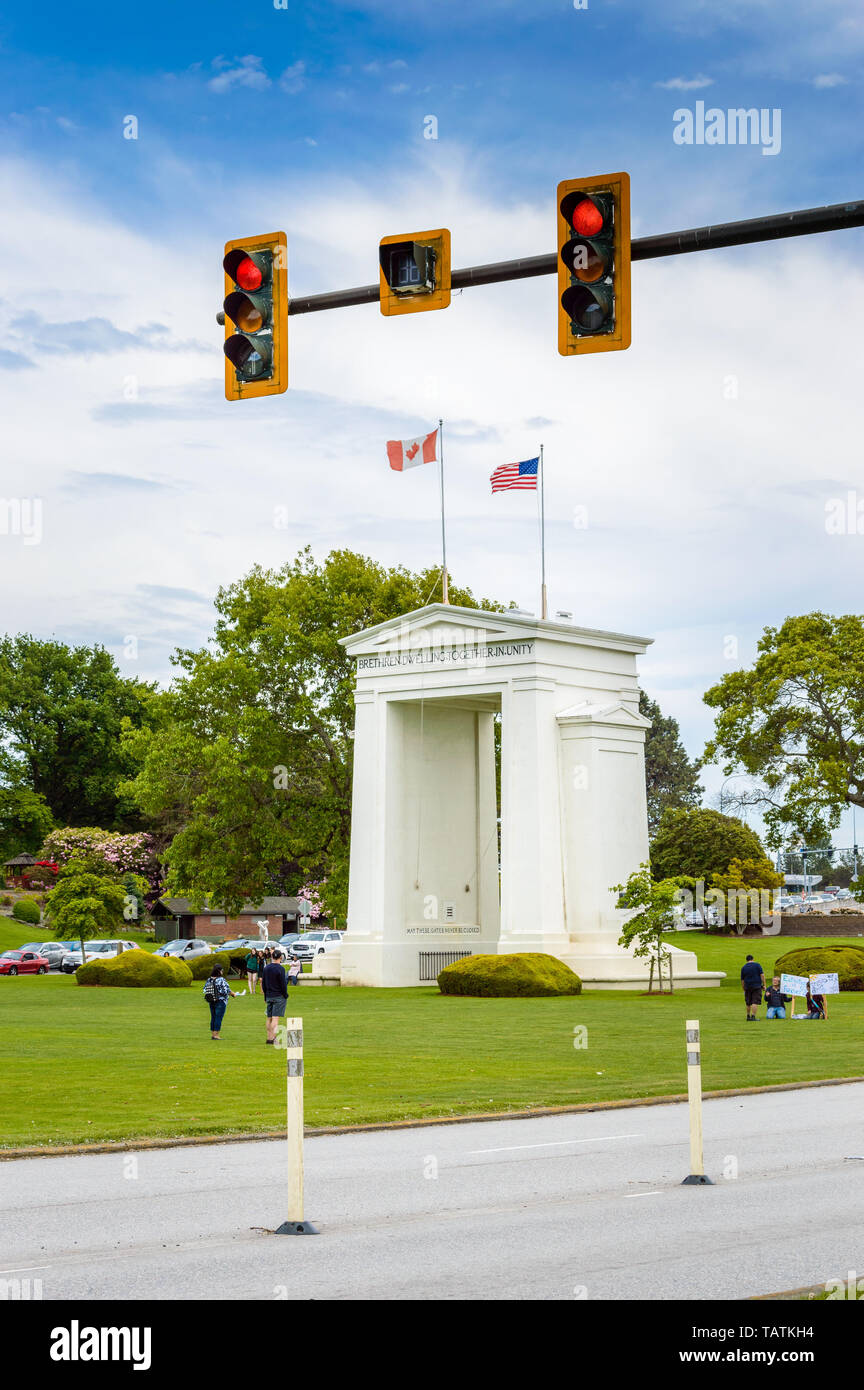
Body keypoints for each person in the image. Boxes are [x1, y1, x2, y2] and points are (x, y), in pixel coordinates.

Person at [261, 949, 288, 1044]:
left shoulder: (266, 968)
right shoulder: (281, 969)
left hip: (269, 995)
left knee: (269, 1018)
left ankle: (269, 1037)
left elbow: (263, 983)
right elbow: (283, 984)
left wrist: (265, 996)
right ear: (280, 957)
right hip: (279, 996)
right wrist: (285, 995)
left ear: (272, 957)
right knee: (275, 1019)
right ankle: (273, 1038)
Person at [204, 964, 236, 1041]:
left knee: (213, 1017)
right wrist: (233, 994)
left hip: (211, 1000)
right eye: (222, 970)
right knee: (218, 1018)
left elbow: (204, 990)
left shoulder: (209, 979)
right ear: (219, 971)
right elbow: (226, 990)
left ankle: (213, 1034)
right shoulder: (221, 979)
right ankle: (216, 1035)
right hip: (220, 1001)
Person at [740, 954, 766, 1021]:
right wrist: (764, 984)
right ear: (753, 959)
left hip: (747, 986)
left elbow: (742, 980)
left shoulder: (744, 967)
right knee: (755, 1002)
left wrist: (743, 988)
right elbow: (762, 975)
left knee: (748, 1002)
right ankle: (753, 1016)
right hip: (756, 986)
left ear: (746, 960)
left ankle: (748, 1016)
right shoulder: (757, 965)